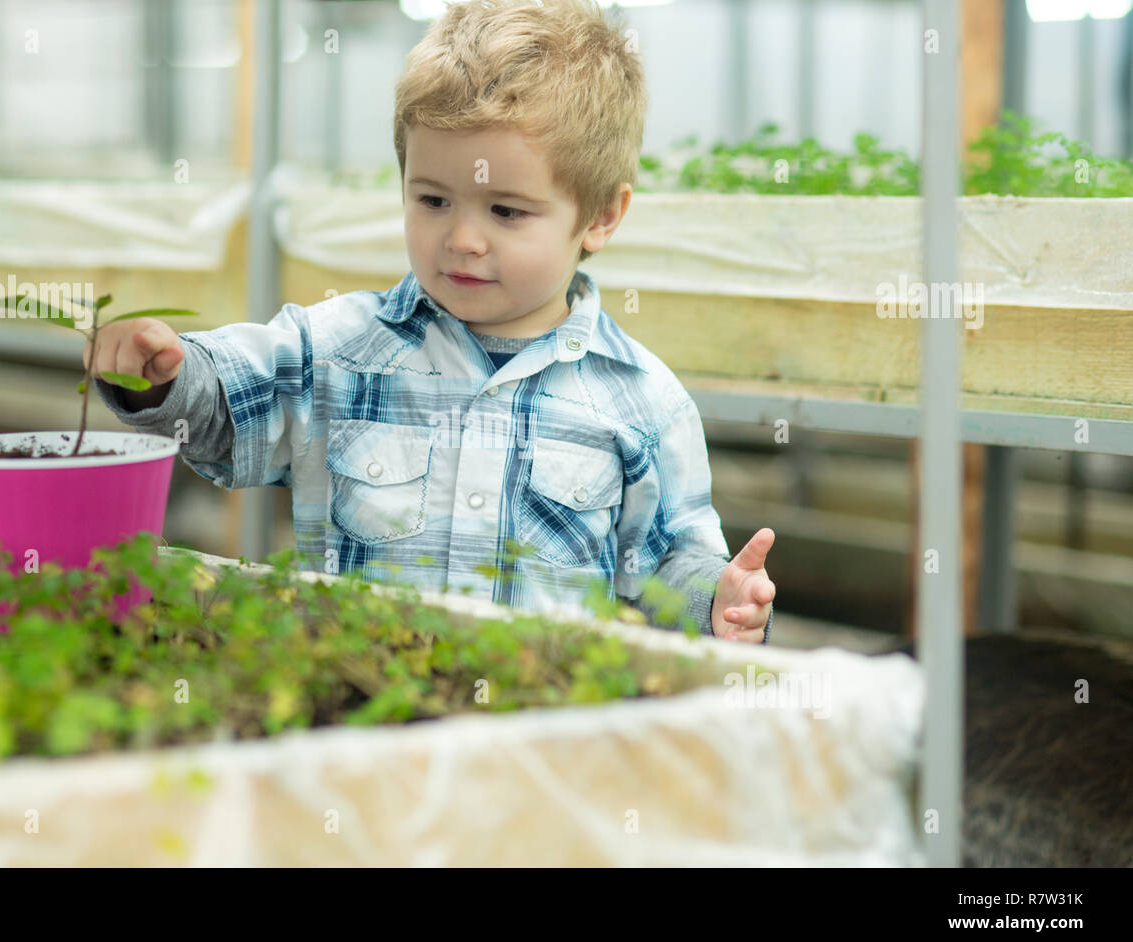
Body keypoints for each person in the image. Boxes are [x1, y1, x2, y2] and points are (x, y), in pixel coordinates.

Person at [89, 0, 776, 642]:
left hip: (538, 739)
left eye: (505, 211)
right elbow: (224, 406)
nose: (463, 240)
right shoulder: (342, 350)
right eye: (434, 200)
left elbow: (664, 563)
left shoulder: (642, 401)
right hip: (355, 713)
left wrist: (716, 598)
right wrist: (165, 374)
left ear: (600, 216)